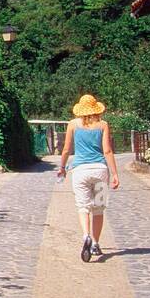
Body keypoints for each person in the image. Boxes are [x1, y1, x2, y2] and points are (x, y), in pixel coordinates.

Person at [56, 95, 121, 262]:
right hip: (100, 170)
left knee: (83, 206)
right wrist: (115, 174)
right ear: (96, 108)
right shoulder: (103, 125)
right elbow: (107, 151)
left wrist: (62, 167)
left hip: (80, 171)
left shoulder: (73, 124)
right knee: (99, 208)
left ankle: (86, 236)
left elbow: (66, 149)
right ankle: (96, 243)